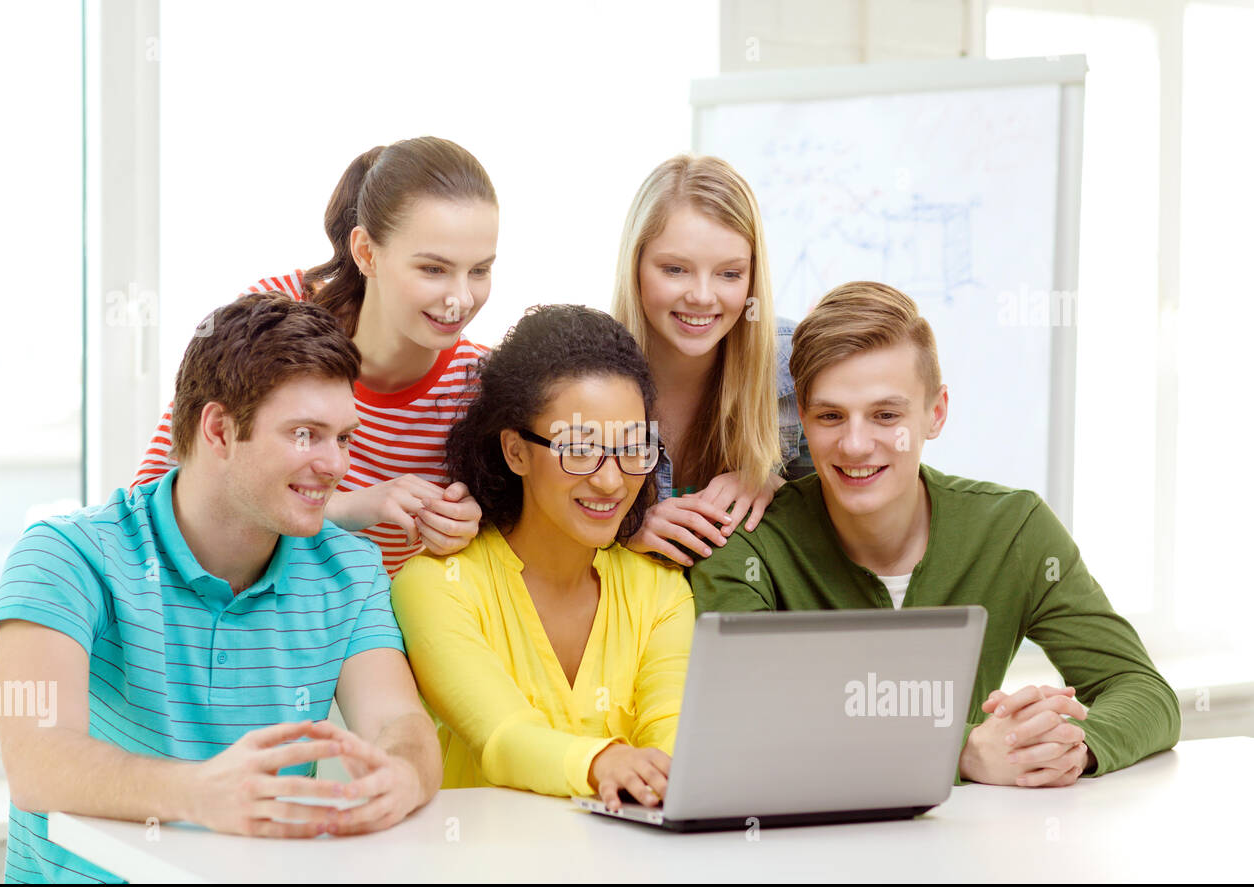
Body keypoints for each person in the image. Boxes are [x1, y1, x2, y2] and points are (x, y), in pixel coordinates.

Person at [0, 292, 442, 883]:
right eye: (306, 434)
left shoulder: (350, 569)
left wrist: (402, 775)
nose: (336, 466)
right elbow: (39, 763)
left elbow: (399, 724)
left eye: (345, 438)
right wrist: (200, 793)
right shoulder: (65, 555)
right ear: (220, 430)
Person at [690, 281, 1180, 786]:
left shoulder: (1015, 530)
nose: (856, 444)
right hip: (802, 853)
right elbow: (745, 724)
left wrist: (1066, 748)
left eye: (886, 415)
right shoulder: (744, 543)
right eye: (830, 416)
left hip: (962, 847)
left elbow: (1142, 688)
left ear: (936, 413)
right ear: (804, 425)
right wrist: (961, 750)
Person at [132, 136, 499, 576]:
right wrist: (345, 508)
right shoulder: (274, 315)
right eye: (433, 269)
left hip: (366, 630)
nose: (461, 298)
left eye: (479, 270)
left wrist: (469, 535)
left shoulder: (481, 387)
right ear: (366, 252)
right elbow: (156, 494)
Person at [391, 305, 693, 812]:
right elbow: (502, 740)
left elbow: (674, 740)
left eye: (631, 448)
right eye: (579, 449)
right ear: (516, 452)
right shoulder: (438, 583)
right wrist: (601, 764)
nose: (611, 480)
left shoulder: (662, 590)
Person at [611, 154, 813, 568]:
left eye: (729, 274)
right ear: (636, 267)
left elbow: (844, 511)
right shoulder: (580, 376)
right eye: (675, 269)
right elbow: (533, 531)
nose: (703, 296)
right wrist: (618, 529)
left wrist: (777, 488)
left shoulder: (793, 363)